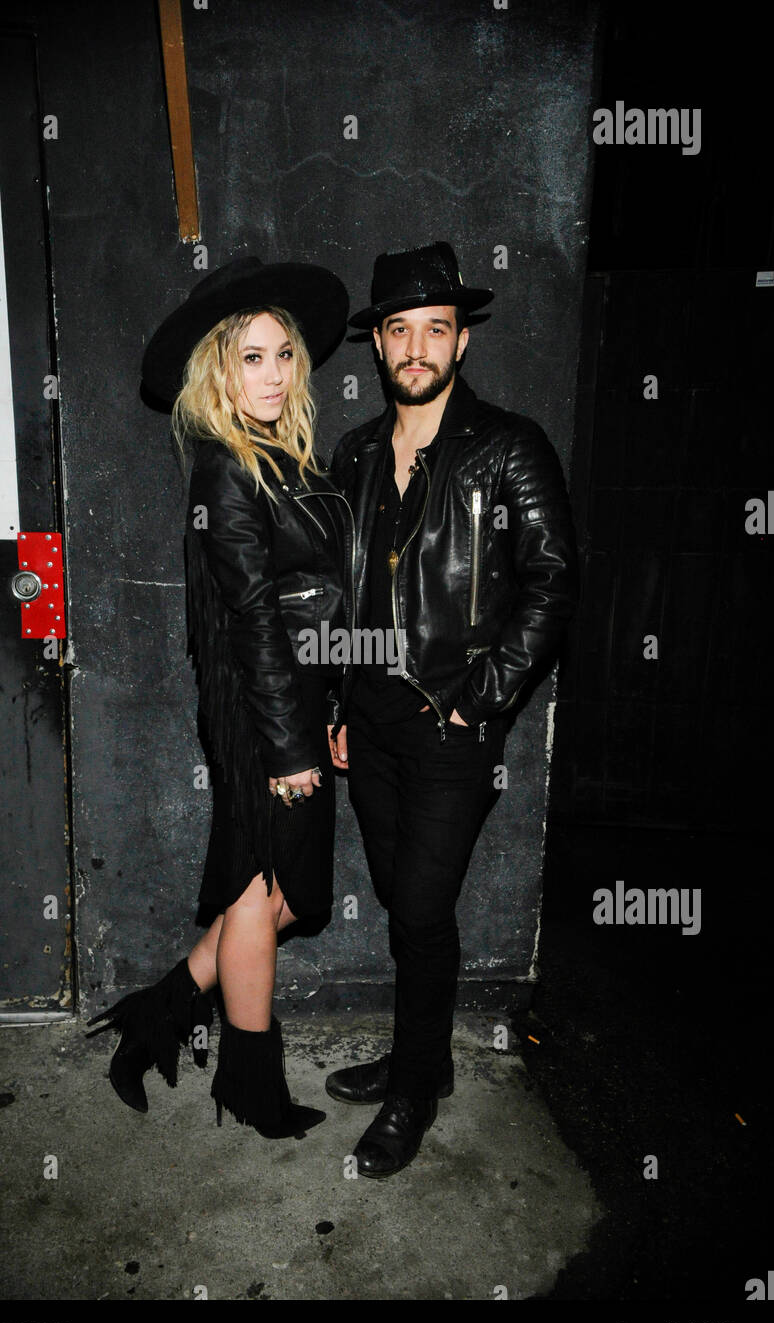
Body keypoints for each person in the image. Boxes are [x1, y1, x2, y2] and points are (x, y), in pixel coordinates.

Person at [324, 241, 579, 1176]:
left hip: (452, 724)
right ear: (379, 346)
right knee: (403, 903)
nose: (418, 346)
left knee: (421, 908)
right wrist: (336, 703)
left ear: (461, 342)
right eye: (401, 329)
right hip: (373, 722)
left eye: (438, 328)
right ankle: (422, 1056)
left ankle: (410, 1097)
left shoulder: (507, 447)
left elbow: (551, 584)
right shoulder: (352, 455)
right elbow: (338, 595)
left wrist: (482, 701)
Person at [88, 256, 351, 1139]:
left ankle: (154, 1016)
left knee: (273, 899)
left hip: (293, 703)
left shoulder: (284, 459)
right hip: (257, 710)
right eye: (250, 357)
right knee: (254, 894)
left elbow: (322, 607)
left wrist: (332, 715)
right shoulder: (228, 472)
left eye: (283, 354)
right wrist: (288, 749)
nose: (272, 373)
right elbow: (252, 623)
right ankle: (249, 1080)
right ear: (217, 370)